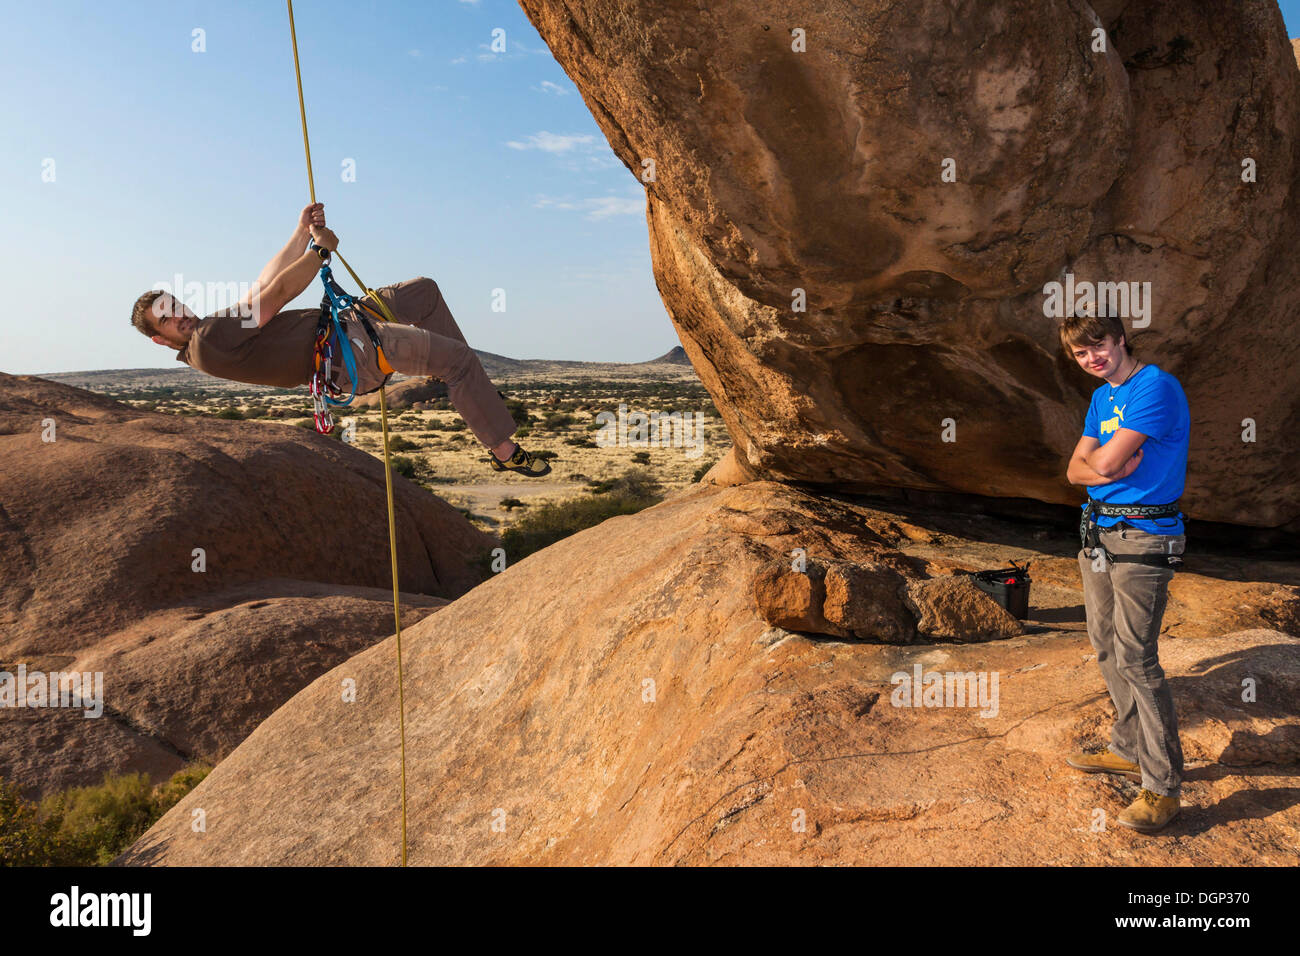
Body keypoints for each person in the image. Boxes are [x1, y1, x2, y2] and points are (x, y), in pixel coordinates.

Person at [129, 203, 550, 477]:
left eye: (175, 306)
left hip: (345, 327)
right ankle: (502, 449)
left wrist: (299, 234)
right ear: (159, 340)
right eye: (166, 319)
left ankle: (457, 383)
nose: (179, 316)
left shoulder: (209, 336)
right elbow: (276, 295)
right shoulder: (207, 339)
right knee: (459, 361)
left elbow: (261, 285)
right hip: (352, 354)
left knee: (422, 291)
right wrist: (319, 253)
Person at [1062, 313, 1189, 833]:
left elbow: (1108, 466)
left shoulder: (1155, 387)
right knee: (1104, 643)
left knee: (1137, 657)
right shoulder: (1101, 399)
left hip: (1145, 535)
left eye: (1099, 345)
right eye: (1080, 353)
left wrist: (1102, 469)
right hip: (1098, 532)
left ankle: (1162, 789)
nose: (1092, 358)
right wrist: (1100, 470)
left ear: (1119, 340)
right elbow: (1075, 472)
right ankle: (1129, 747)